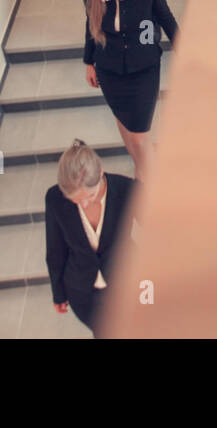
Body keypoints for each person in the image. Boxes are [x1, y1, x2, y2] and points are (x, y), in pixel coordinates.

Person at [81, 0, 177, 180]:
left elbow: (166, 18)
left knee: (140, 133)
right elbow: (90, 25)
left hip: (144, 67)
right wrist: (89, 62)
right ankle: (140, 167)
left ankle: (152, 181)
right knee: (123, 121)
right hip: (109, 69)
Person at [45, 139, 137, 337]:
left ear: (101, 173)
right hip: (83, 293)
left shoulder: (127, 189)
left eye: (91, 195)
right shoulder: (54, 199)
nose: (84, 205)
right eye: (76, 200)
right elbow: (55, 249)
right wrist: (58, 292)